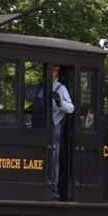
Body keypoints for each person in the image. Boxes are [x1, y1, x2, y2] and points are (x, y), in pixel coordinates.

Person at [26, 65, 74, 200]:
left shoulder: (61, 88)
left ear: (56, 74)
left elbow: (71, 108)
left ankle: (53, 189)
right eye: (49, 70)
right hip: (38, 127)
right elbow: (28, 98)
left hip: (53, 128)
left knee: (53, 159)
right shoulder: (40, 88)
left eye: (54, 71)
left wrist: (59, 102)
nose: (51, 73)